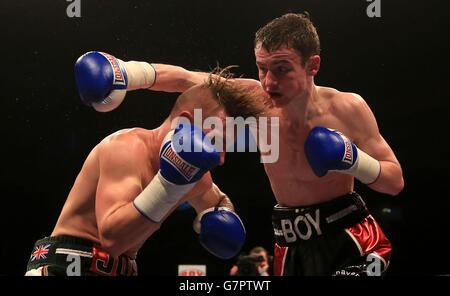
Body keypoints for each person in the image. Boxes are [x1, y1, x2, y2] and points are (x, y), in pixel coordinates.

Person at [81, 12, 404, 276]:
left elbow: (394, 182)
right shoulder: (255, 98)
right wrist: (125, 72)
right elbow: (183, 79)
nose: (268, 81)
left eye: (281, 69)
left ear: (312, 65)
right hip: (289, 244)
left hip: (349, 232)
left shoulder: (348, 109)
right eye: (262, 68)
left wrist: (352, 159)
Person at [25, 63, 265, 276]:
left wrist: (221, 212)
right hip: (66, 266)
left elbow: (217, 200)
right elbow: (112, 240)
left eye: (226, 148)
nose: (220, 158)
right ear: (184, 123)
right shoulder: (125, 148)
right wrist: (170, 185)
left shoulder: (198, 177)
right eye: (217, 142)